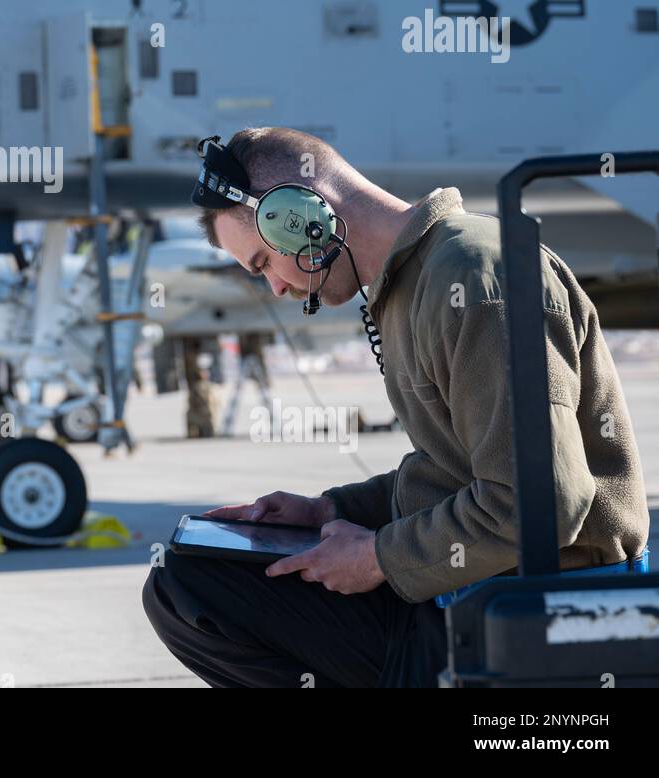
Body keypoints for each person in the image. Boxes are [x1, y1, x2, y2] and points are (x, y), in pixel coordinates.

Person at [143, 126, 649, 687]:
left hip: (532, 611)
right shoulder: (413, 285)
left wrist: (378, 558)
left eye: (264, 262)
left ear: (301, 215)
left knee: (190, 587)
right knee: (188, 580)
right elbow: (459, 471)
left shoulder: (476, 278)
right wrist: (333, 512)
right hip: (470, 588)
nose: (277, 290)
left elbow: (544, 500)